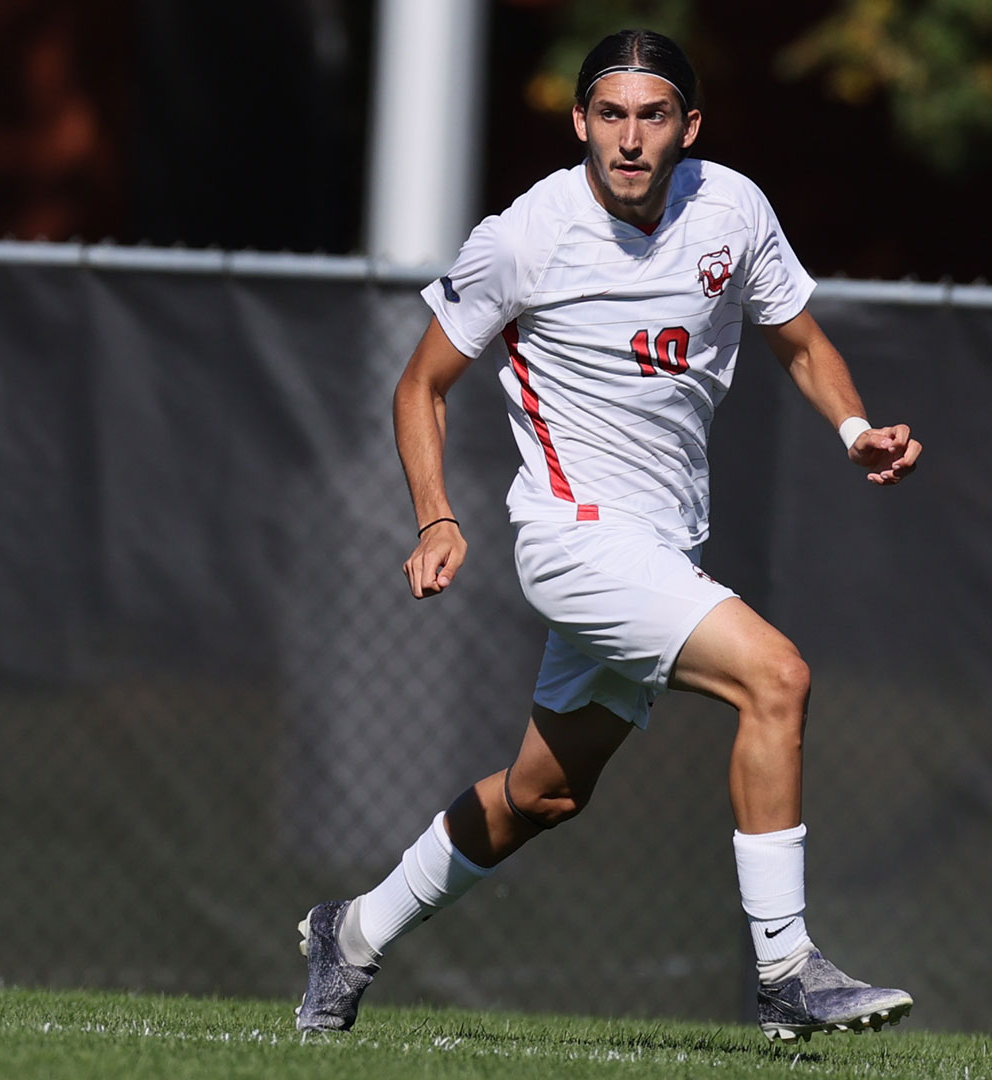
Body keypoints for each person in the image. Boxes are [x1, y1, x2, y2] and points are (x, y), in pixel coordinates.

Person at [296, 29, 922, 1045]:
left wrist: (855, 429)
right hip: (572, 544)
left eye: (654, 115)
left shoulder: (732, 209)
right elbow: (421, 386)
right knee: (778, 677)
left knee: (542, 797)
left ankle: (352, 932)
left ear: (689, 127)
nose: (631, 139)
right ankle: (785, 972)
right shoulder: (523, 237)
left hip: (660, 549)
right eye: (612, 115)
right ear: (581, 121)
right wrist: (436, 515)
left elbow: (799, 340)